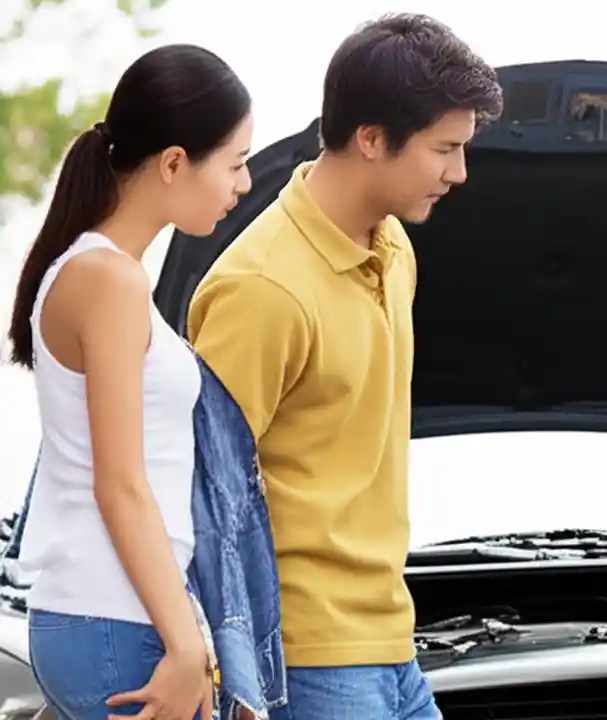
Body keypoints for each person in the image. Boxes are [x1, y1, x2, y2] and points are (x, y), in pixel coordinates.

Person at [184, 13, 503, 720]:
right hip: (307, 658)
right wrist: (232, 680)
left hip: (392, 636)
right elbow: (202, 498)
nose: (460, 173)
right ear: (370, 140)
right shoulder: (261, 288)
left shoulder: (393, 249)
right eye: (444, 149)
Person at [4, 44, 253, 720]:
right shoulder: (108, 278)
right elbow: (120, 481)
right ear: (174, 162)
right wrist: (186, 644)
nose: (246, 184)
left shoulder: (96, 272)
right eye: (234, 163)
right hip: (117, 622)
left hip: (107, 618)